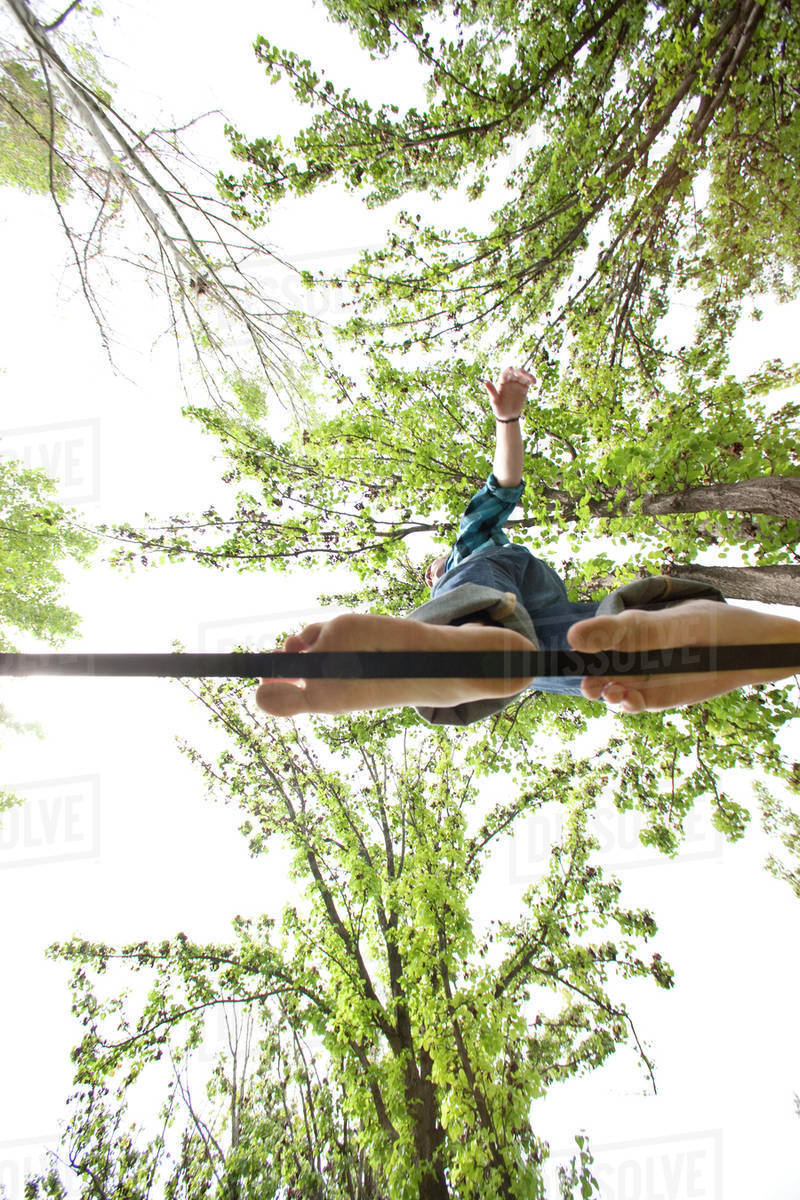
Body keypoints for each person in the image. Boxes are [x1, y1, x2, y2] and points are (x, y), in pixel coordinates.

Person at [255, 368, 800, 722]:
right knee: (598, 650)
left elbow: (504, 484)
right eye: (435, 577)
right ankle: (661, 629)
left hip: (509, 595)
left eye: (435, 574)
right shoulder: (461, 572)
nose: (435, 575)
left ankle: (467, 653)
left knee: (486, 615)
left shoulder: (468, 546)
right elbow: (509, 486)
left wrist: (507, 419)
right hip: (555, 629)